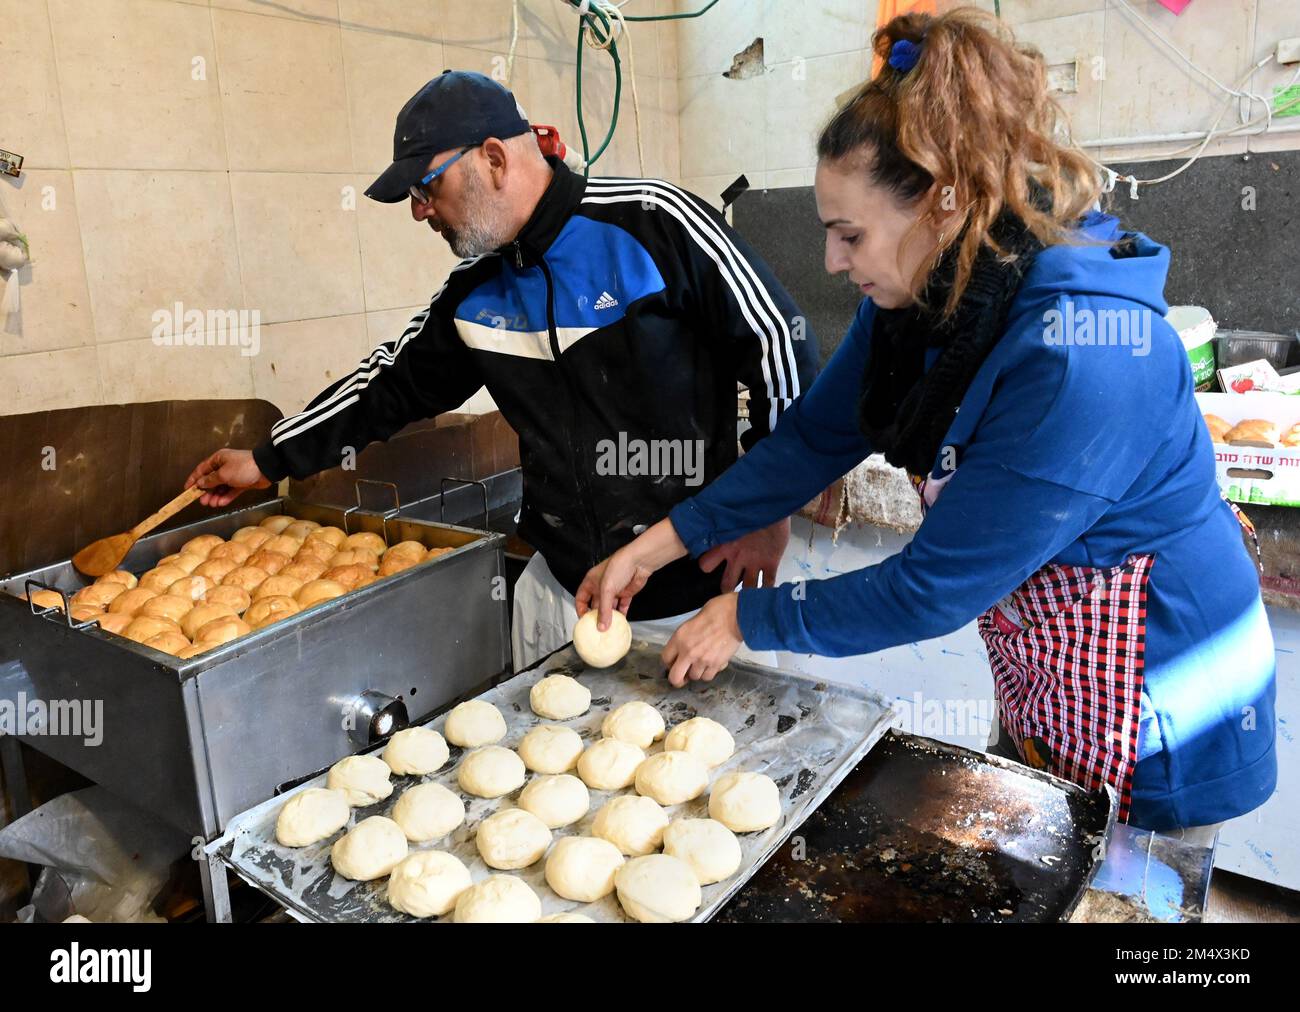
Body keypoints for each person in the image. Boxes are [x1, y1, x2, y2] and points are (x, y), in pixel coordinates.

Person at [576, 9, 1277, 831]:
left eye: (849, 235)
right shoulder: (925, 289)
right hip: (1043, 657)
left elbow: (931, 589)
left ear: (944, 202)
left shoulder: (1083, 357)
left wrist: (748, 615)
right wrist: (658, 544)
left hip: (1158, 687)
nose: (835, 264)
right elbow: (815, 437)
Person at [183, 71, 819, 670]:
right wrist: (268, 459)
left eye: (426, 186)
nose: (419, 211)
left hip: (693, 601)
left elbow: (783, 350)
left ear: (493, 157)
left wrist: (769, 514)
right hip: (558, 592)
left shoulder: (651, 223)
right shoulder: (475, 292)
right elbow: (387, 387)